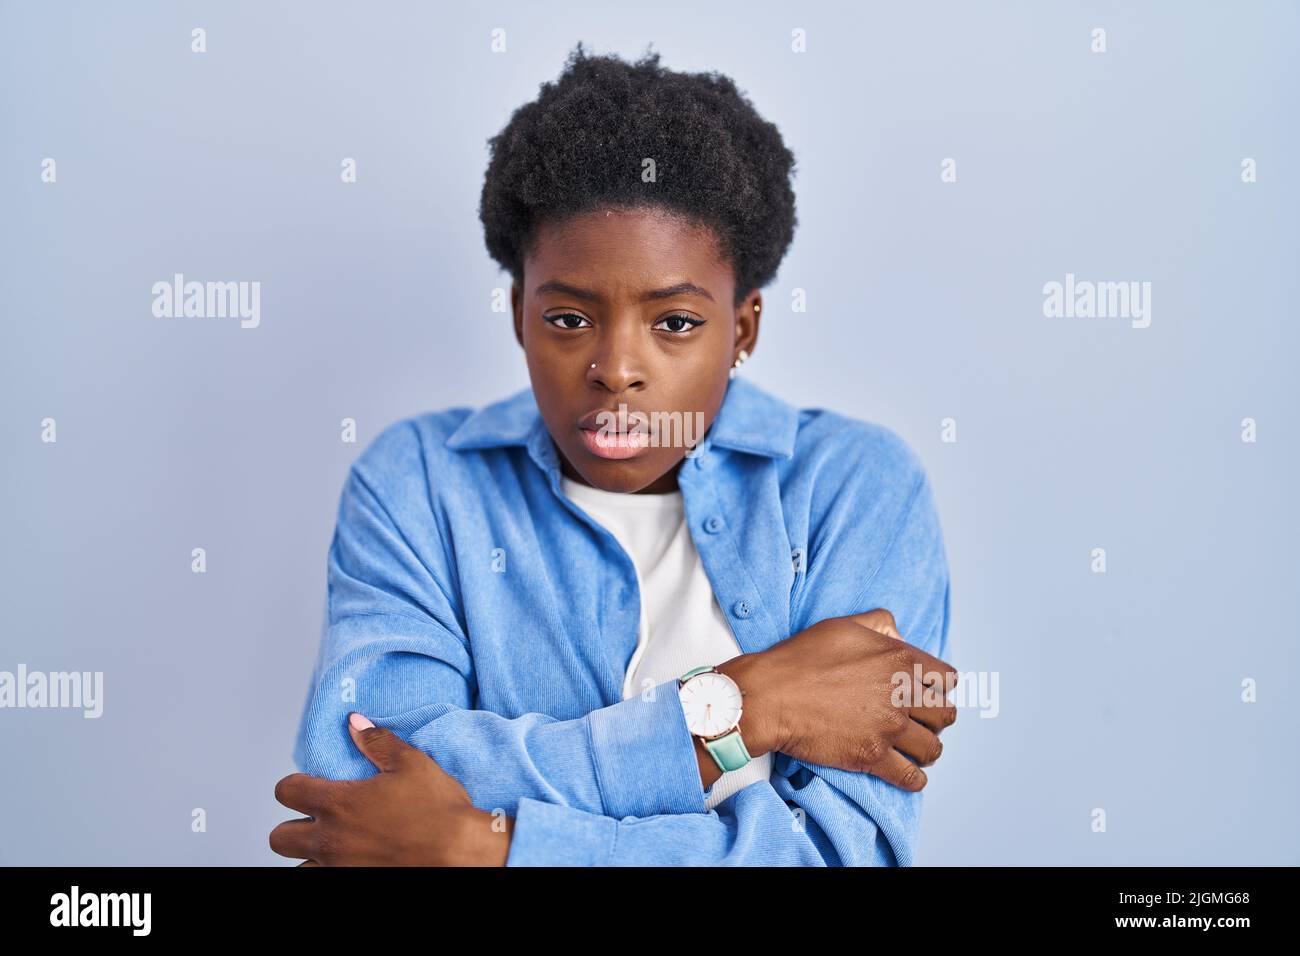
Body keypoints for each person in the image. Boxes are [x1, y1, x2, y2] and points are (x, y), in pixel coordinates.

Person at [270, 42, 957, 867]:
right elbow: (360, 783)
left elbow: (838, 854)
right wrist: (747, 706)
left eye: (674, 323)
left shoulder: (854, 488)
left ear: (742, 329)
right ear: (519, 312)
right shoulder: (419, 480)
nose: (615, 369)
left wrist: (487, 850)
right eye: (568, 319)